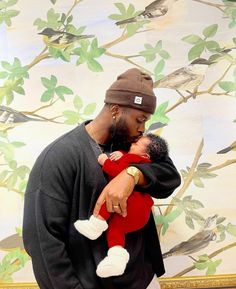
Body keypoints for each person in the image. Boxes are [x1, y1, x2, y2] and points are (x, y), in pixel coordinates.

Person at [23, 68, 181, 289]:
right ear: (116, 110)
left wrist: (132, 174)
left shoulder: (132, 147)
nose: (142, 129)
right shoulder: (60, 156)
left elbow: (171, 177)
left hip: (143, 279)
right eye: (139, 120)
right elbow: (43, 241)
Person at [74, 133, 169, 278]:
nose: (134, 143)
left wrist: (105, 161)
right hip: (140, 216)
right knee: (116, 229)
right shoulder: (145, 163)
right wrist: (122, 154)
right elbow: (128, 161)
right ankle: (117, 259)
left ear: (146, 156)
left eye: (137, 144)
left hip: (130, 207)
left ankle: (96, 223)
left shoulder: (135, 159)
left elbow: (119, 172)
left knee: (112, 196)